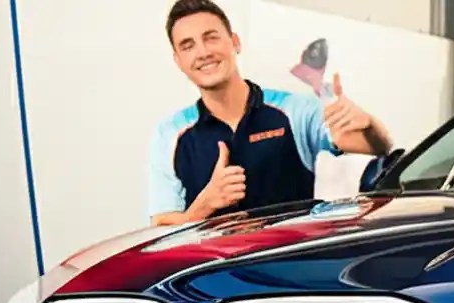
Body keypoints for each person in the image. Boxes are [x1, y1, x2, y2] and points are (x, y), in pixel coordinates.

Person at [148, 0, 393, 226]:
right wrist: (204, 206)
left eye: (211, 38)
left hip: (288, 268)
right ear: (178, 60)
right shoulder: (170, 134)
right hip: (213, 273)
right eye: (188, 46)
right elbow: (160, 228)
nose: (203, 52)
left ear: (235, 42)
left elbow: (378, 147)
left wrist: (368, 125)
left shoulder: (294, 110)